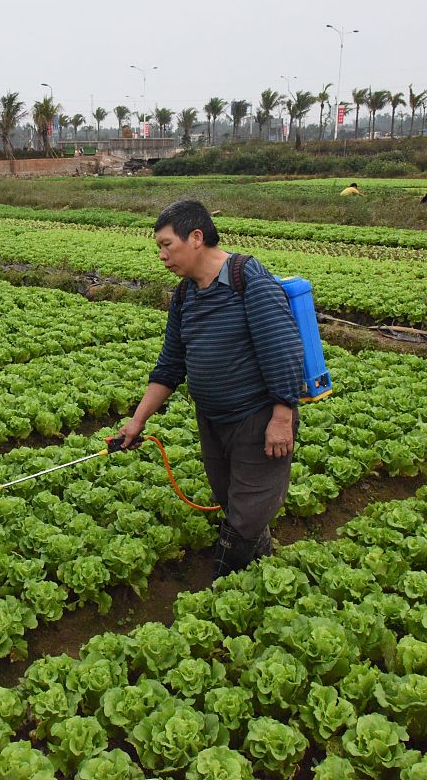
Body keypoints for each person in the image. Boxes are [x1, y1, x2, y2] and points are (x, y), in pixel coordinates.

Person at [117, 200, 304, 578]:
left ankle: (225, 586)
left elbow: (283, 348)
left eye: (167, 245)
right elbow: (170, 366)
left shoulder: (248, 279)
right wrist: (136, 422)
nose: (162, 256)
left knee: (245, 512)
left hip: (257, 418)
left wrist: (282, 416)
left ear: (196, 237)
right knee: (228, 498)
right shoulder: (186, 295)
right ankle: (259, 562)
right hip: (213, 420)